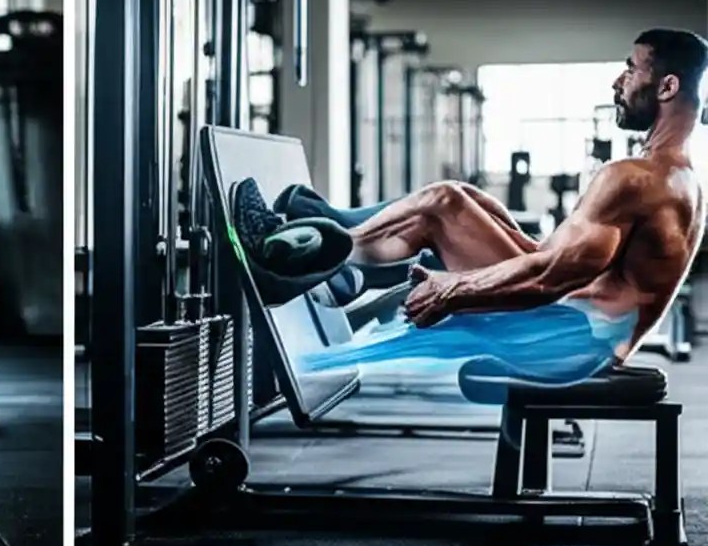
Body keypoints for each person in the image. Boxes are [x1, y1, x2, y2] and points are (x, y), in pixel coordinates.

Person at [249, 28, 708, 394]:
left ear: (667, 86)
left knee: (442, 206)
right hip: (587, 335)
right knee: (468, 199)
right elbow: (569, 266)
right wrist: (485, 234)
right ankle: (343, 253)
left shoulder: (634, 177)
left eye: (630, 70)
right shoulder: (683, 178)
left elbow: (550, 278)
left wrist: (455, 289)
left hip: (566, 342)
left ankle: (327, 260)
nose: (618, 81)